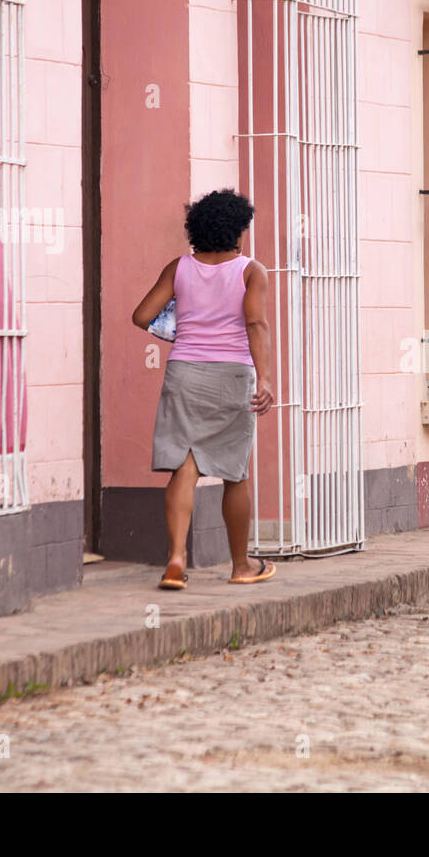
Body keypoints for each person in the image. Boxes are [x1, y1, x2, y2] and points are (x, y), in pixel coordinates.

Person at [132, 189, 275, 589]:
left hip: (184, 372)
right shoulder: (250, 271)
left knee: (185, 463)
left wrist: (180, 326)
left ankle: (176, 560)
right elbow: (255, 324)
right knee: (234, 471)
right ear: (237, 231)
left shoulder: (179, 268)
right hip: (232, 374)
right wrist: (264, 378)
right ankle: (241, 566)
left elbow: (142, 315)